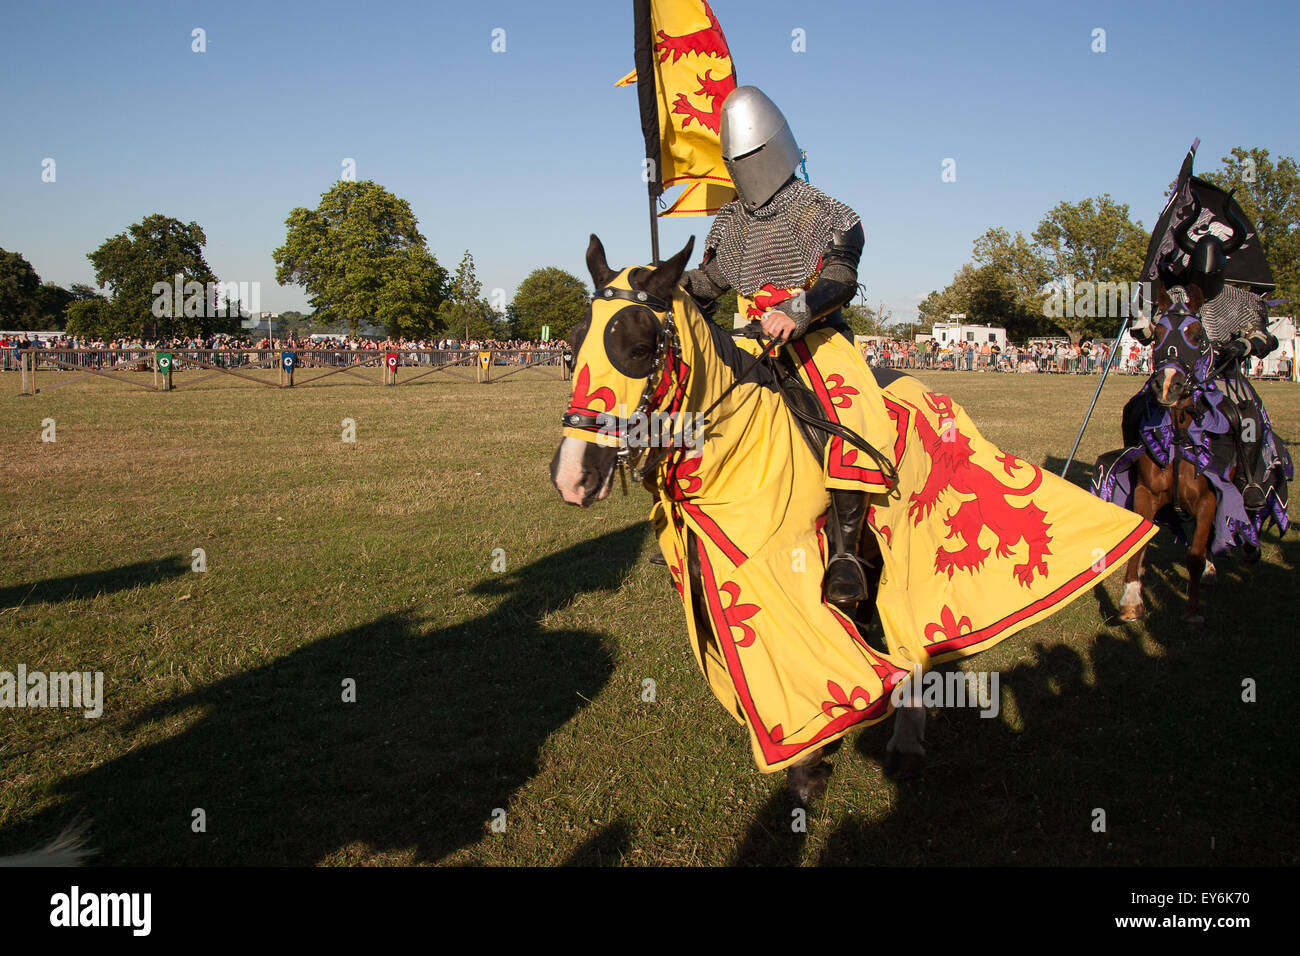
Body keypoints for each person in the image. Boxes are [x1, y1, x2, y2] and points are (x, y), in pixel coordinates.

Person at [679, 86, 887, 610]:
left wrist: (797, 310)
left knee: (847, 409)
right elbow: (710, 282)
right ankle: (701, 515)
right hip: (752, 337)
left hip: (817, 336)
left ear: (776, 147)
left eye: (750, 156)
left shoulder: (827, 212)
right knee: (700, 405)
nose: (745, 168)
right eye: (736, 161)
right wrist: (662, 291)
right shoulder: (730, 222)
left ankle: (844, 554)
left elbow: (840, 279)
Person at [1128, 196, 1284, 513]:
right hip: (1181, 375)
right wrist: (1141, 325)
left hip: (1224, 377)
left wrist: (1248, 343)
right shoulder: (1176, 296)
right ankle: (1136, 472)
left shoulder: (1241, 300)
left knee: (1248, 419)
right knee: (1135, 410)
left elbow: (1265, 335)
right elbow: (1153, 333)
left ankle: (1251, 480)